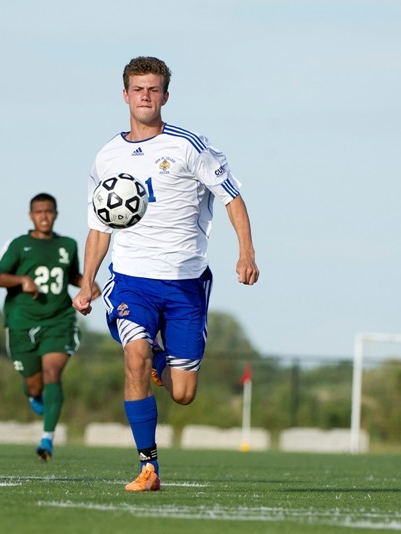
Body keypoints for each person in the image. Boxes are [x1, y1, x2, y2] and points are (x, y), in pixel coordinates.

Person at [72, 57, 259, 492]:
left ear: (165, 97)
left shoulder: (189, 146)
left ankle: (162, 357)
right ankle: (148, 466)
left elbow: (233, 199)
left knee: (183, 393)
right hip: (132, 277)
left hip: (185, 283)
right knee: (133, 356)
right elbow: (100, 225)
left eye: (153, 90)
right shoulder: (106, 156)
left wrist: (246, 252)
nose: (145, 96)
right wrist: (87, 281)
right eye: (138, 89)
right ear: (125, 95)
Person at [0, 193, 99, 461]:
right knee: (34, 385)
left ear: (56, 214)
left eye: (49, 211)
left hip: (58, 320)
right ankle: (35, 395)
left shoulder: (67, 245)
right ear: (31, 215)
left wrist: (87, 283)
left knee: (53, 372)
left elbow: (70, 274)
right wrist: (21, 281)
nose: (44, 216)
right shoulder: (19, 245)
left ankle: (47, 439)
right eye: (39, 212)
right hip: (22, 322)